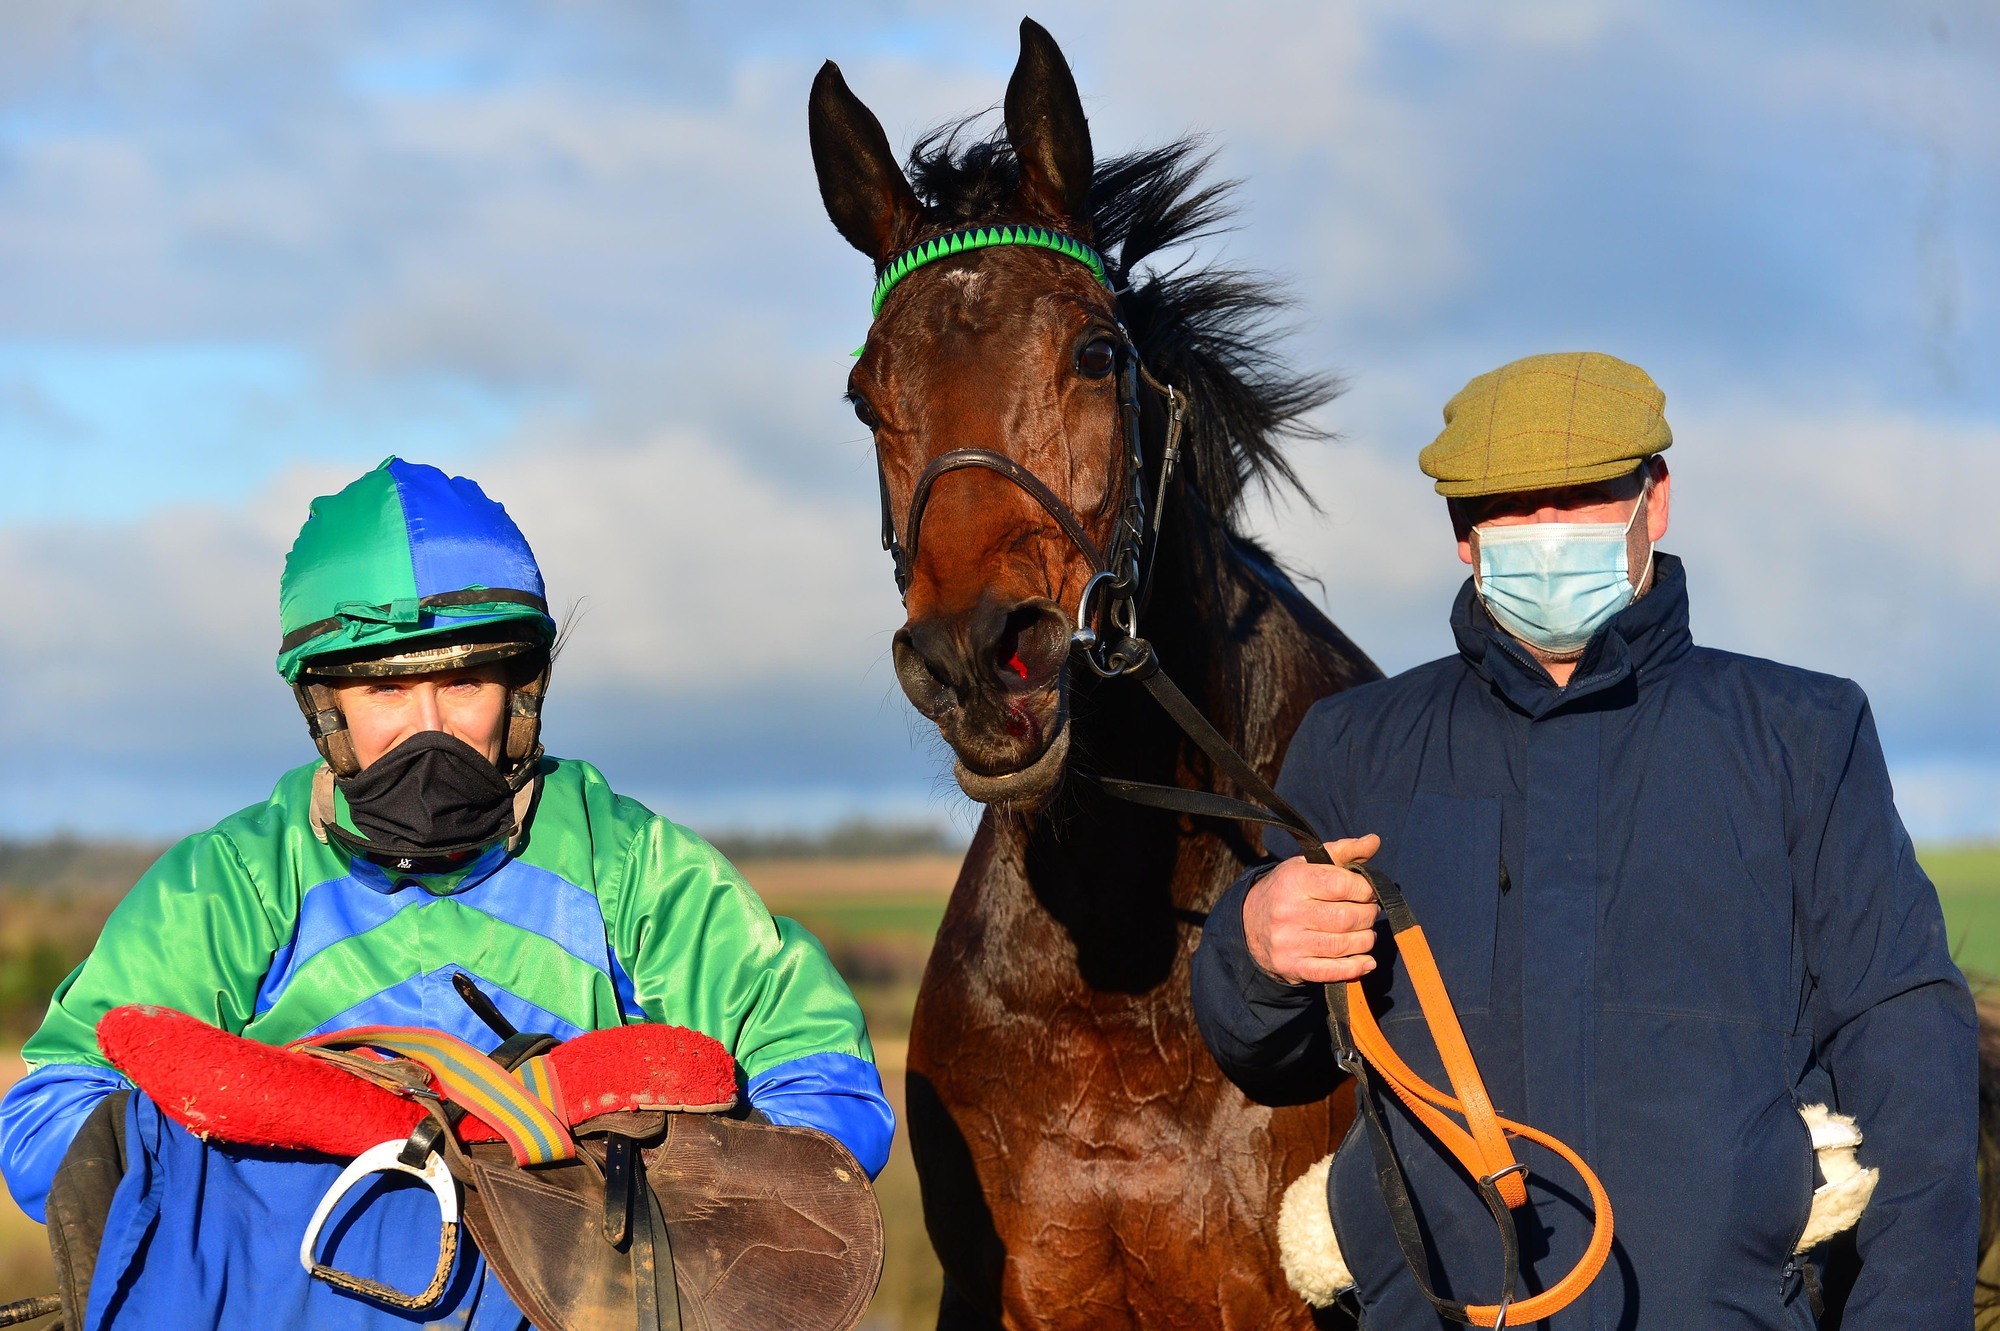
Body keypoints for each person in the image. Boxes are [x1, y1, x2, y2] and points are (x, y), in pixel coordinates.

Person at [0, 457, 894, 1328]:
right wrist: (334, 1182)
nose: (428, 728)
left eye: (463, 681)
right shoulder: (232, 881)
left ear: (520, 691)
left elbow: (828, 1088)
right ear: (328, 709)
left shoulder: (632, 866)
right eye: (387, 686)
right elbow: (54, 1117)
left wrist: (625, 1190)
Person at [1190, 352, 1977, 1328]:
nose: (1548, 532)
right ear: (1462, 535)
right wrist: (1254, 944)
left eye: (1582, 496)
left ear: (1654, 500)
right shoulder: (1354, 744)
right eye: (1511, 505)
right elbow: (1272, 1056)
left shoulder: (1800, 734)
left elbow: (1907, 1062)